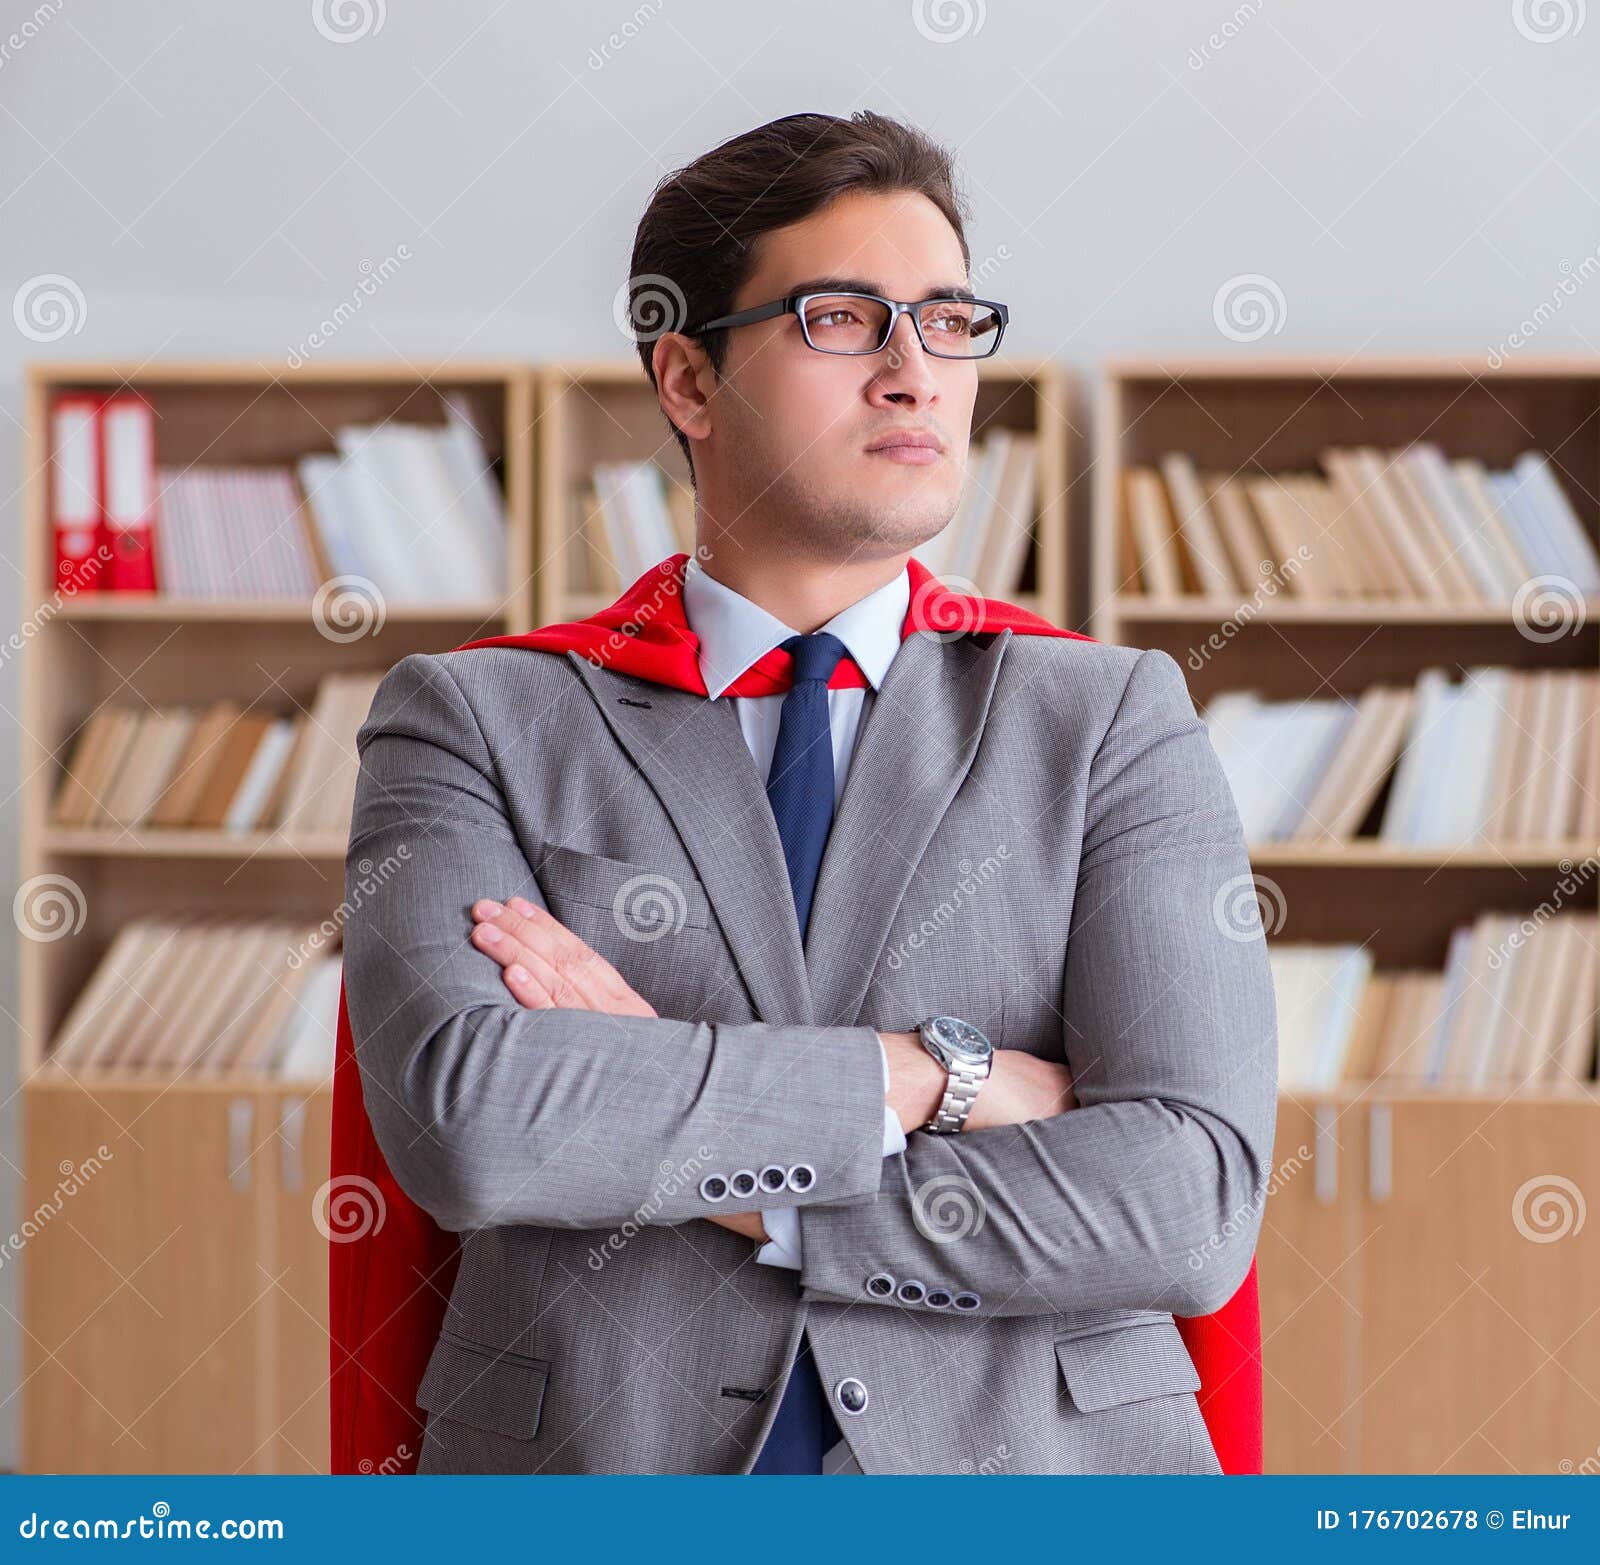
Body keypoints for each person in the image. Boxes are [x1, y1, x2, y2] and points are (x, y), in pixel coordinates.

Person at [335, 109, 1277, 1476]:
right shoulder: (478, 714)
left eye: (950, 321)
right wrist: (942, 1078)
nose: (916, 373)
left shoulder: (1107, 716)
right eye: (843, 318)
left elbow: (1187, 1203)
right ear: (690, 381)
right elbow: (475, 1120)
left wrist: (739, 1180)